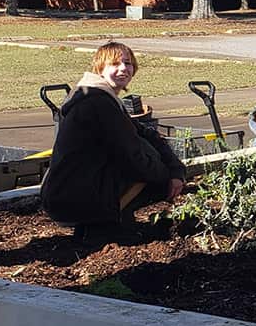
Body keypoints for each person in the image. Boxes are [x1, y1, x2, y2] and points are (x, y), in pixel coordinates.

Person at [41, 42, 186, 225]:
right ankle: (103, 224)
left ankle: (112, 220)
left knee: (148, 154)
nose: (124, 69)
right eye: (115, 64)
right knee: (151, 173)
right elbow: (131, 153)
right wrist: (167, 178)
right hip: (72, 199)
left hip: (64, 193)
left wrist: (175, 169)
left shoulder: (104, 99)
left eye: (128, 63)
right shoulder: (97, 104)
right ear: (100, 68)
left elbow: (147, 134)